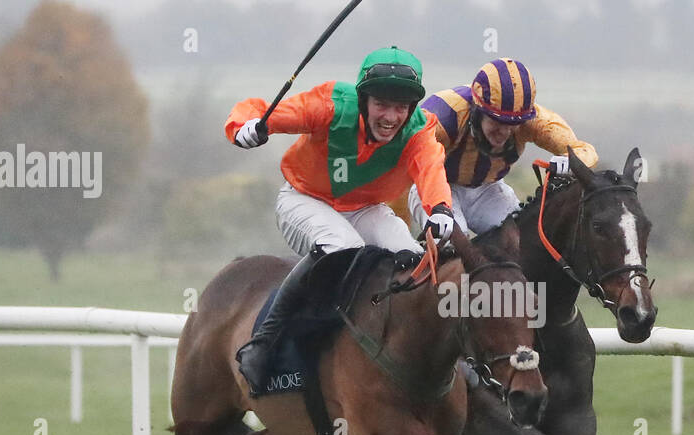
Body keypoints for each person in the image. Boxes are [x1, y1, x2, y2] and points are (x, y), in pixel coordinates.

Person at [226, 45, 456, 395]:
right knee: (343, 246)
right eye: (382, 104)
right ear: (363, 101)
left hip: (363, 207)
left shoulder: (420, 131)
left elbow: (430, 171)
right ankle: (264, 342)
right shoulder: (331, 105)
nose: (391, 117)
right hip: (304, 199)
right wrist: (244, 128)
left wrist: (440, 210)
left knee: (411, 256)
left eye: (400, 107)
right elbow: (261, 112)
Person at [408, 58, 599, 236]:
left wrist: (570, 161)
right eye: (497, 121)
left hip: (486, 189)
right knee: (456, 245)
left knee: (521, 240)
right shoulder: (445, 115)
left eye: (513, 124)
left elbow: (584, 150)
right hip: (436, 188)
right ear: (477, 110)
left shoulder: (534, 120)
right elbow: (402, 157)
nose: (505, 132)